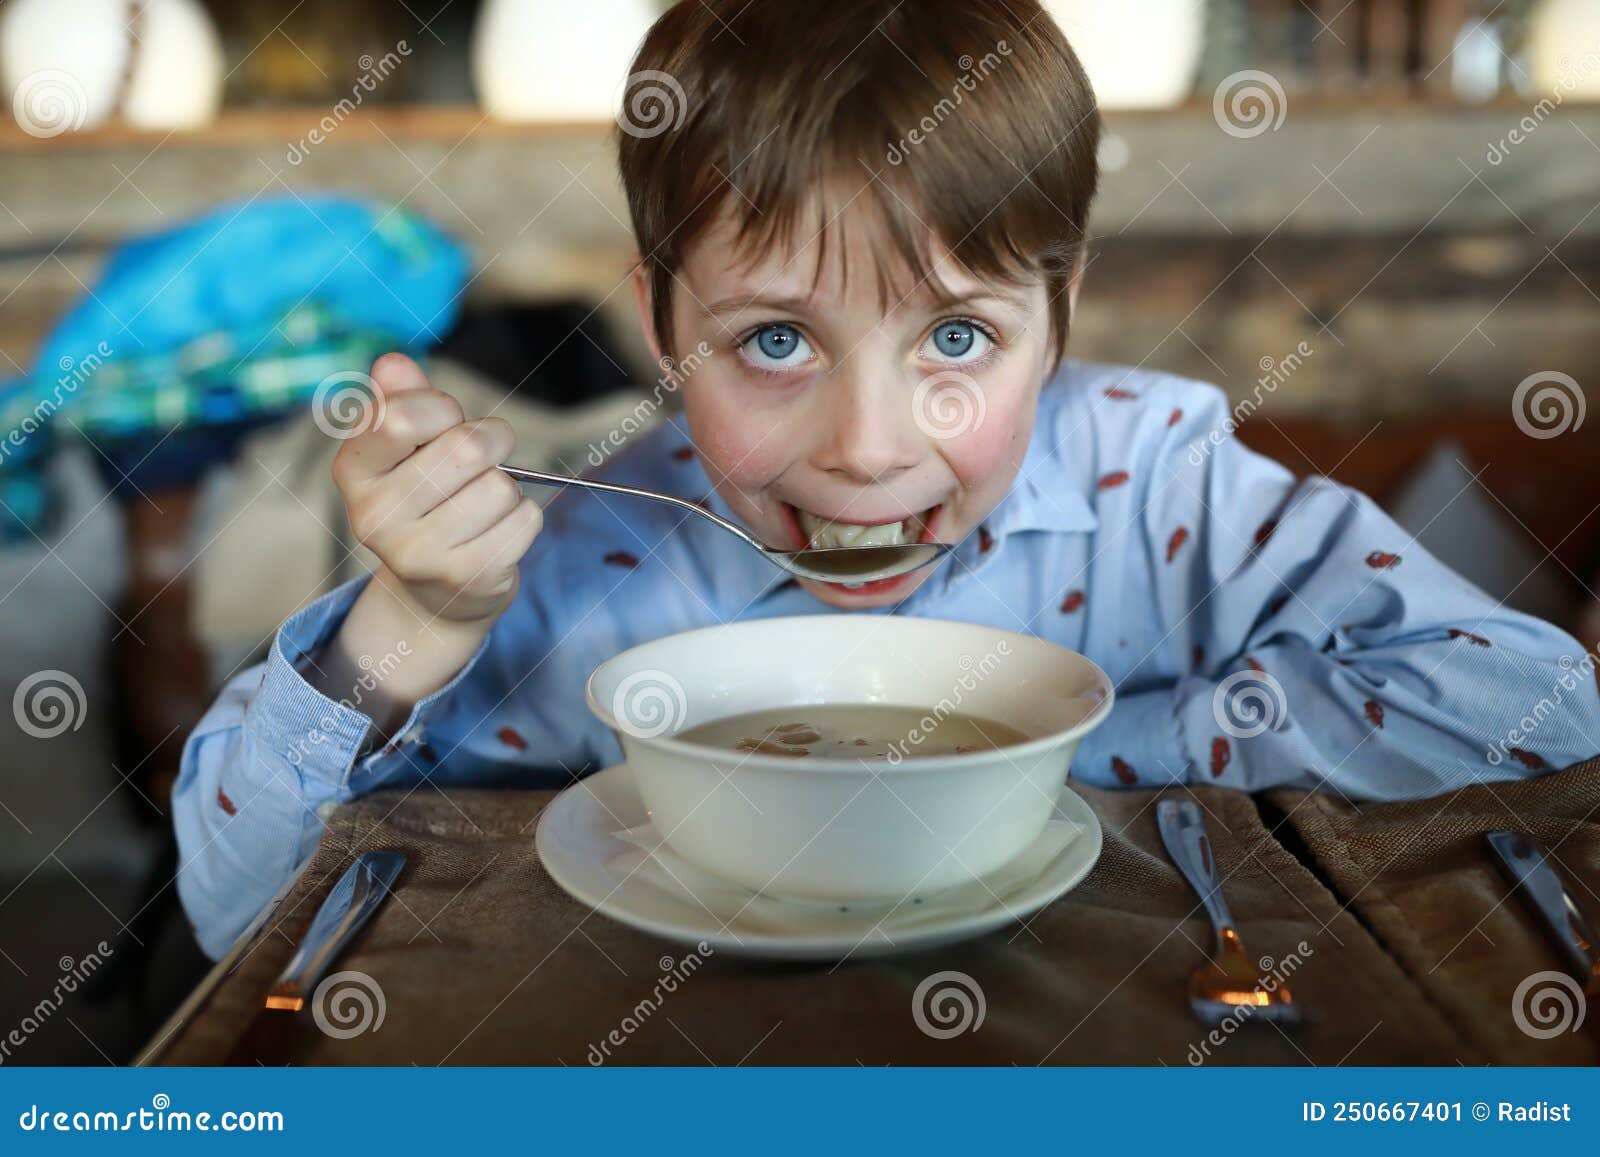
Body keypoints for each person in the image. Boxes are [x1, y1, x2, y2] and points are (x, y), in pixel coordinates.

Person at [173, 0, 1600, 958]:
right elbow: (237, 907)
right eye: (776, 338)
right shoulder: (569, 550)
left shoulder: (1163, 487)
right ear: (663, 323)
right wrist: (408, 628)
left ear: (1062, 312)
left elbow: (1535, 699)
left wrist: (1051, 762)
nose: (869, 445)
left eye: (961, 335)